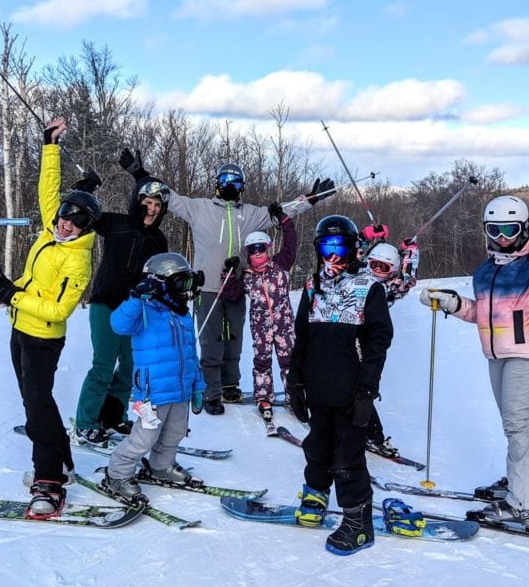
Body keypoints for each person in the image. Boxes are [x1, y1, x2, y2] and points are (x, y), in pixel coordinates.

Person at [420, 195, 529, 533]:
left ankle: (526, 504)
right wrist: (451, 303)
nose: (502, 237)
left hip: (526, 353)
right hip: (496, 355)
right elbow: (482, 313)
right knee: (518, 423)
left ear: (523, 228)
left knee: (515, 425)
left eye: (509, 229)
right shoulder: (485, 271)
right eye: (495, 230)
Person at [0, 116, 100, 518]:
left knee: (36, 405)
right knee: (36, 401)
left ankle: (48, 476)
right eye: (65, 213)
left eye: (75, 219)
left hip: (44, 338)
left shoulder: (77, 261)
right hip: (19, 329)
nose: (65, 221)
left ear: (86, 228)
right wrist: (50, 146)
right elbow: (46, 190)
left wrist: (11, 293)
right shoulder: (51, 232)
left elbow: (59, 310)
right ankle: (63, 459)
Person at [164, 160, 334, 414]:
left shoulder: (252, 213)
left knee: (233, 338)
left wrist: (310, 199)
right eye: (225, 182)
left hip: (237, 285)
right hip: (208, 287)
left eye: (235, 182)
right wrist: (143, 177)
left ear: (242, 186)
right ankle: (211, 391)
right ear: (217, 185)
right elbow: (172, 199)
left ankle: (230, 383)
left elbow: (282, 211)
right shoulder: (200, 208)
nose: (229, 186)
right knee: (211, 342)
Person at [287, 215, 394, 555]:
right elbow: (301, 337)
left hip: (350, 389)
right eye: (326, 247)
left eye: (340, 246)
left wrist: (367, 389)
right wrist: (295, 380)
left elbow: (378, 342)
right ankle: (316, 495)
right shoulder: (311, 286)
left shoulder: (368, 287)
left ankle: (357, 521)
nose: (333, 255)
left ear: (352, 248)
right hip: (318, 386)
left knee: (347, 456)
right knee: (317, 447)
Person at [72, 158, 171, 445]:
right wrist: (87, 185)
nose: (152, 210)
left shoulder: (159, 240)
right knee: (103, 364)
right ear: (137, 201)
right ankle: (85, 423)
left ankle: (113, 417)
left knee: (129, 367)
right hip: (105, 304)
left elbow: (160, 275)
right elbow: (83, 211)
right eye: (147, 202)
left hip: (136, 310)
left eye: (157, 205)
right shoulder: (116, 223)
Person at [100, 253, 207, 501]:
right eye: (181, 282)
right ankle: (117, 473)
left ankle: (162, 465)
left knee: (176, 432)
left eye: (188, 282)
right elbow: (118, 324)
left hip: (180, 389)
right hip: (153, 392)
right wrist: (136, 298)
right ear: (160, 282)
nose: (186, 290)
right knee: (144, 438)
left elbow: (190, 353)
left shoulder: (181, 313)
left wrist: (198, 385)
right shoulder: (144, 310)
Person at [224, 204, 298, 427]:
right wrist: (227, 272)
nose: (257, 253)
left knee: (289, 361)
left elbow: (291, 241)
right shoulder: (246, 276)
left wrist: (283, 219)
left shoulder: (280, 264)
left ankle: (295, 395)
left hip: (284, 323)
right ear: (248, 252)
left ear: (268, 247)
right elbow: (231, 294)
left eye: (261, 248)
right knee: (262, 362)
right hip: (261, 327)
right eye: (253, 249)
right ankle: (264, 397)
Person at [360, 237, 420, 458]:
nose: (376, 270)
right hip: (348, 337)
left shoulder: (390, 287)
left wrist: (410, 252)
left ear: (392, 270)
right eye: (373, 265)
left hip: (368, 342)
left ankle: (374, 435)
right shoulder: (359, 278)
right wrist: (371, 238)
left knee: (362, 387)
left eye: (382, 267)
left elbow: (408, 278)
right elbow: (355, 257)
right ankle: (359, 430)